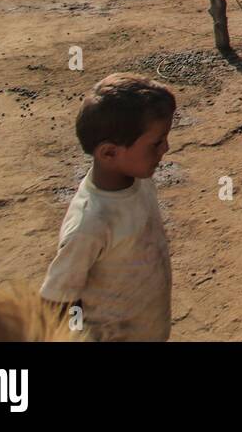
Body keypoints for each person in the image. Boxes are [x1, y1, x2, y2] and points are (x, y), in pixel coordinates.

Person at [39, 73, 175, 341]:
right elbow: (58, 300)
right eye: (157, 142)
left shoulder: (139, 181)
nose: (166, 148)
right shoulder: (90, 224)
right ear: (109, 153)